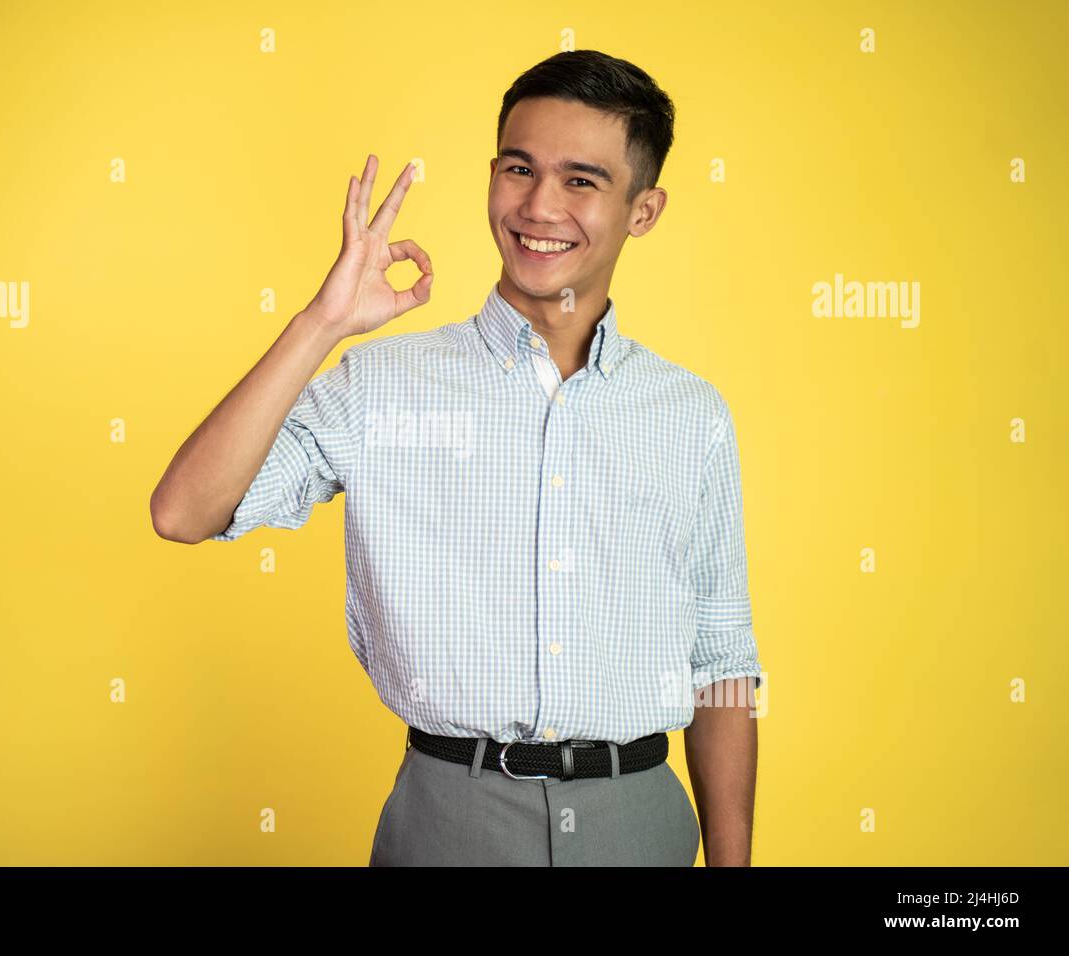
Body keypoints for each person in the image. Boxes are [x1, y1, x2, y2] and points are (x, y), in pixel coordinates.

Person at [150, 49, 763, 867]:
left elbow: (723, 659)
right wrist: (321, 323)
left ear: (643, 210)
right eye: (520, 168)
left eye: (582, 180)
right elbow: (184, 512)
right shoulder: (380, 385)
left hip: (641, 821)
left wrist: (733, 861)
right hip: (450, 819)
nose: (539, 205)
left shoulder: (692, 416)